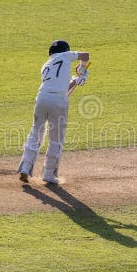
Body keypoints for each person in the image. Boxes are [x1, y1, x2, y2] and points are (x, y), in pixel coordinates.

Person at [18, 40, 90, 184]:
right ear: (65, 50)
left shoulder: (46, 66)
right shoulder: (66, 55)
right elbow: (86, 55)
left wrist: (75, 81)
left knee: (35, 133)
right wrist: (82, 69)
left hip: (41, 98)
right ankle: (48, 174)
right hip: (57, 101)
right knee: (56, 139)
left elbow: (57, 90)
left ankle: (25, 168)